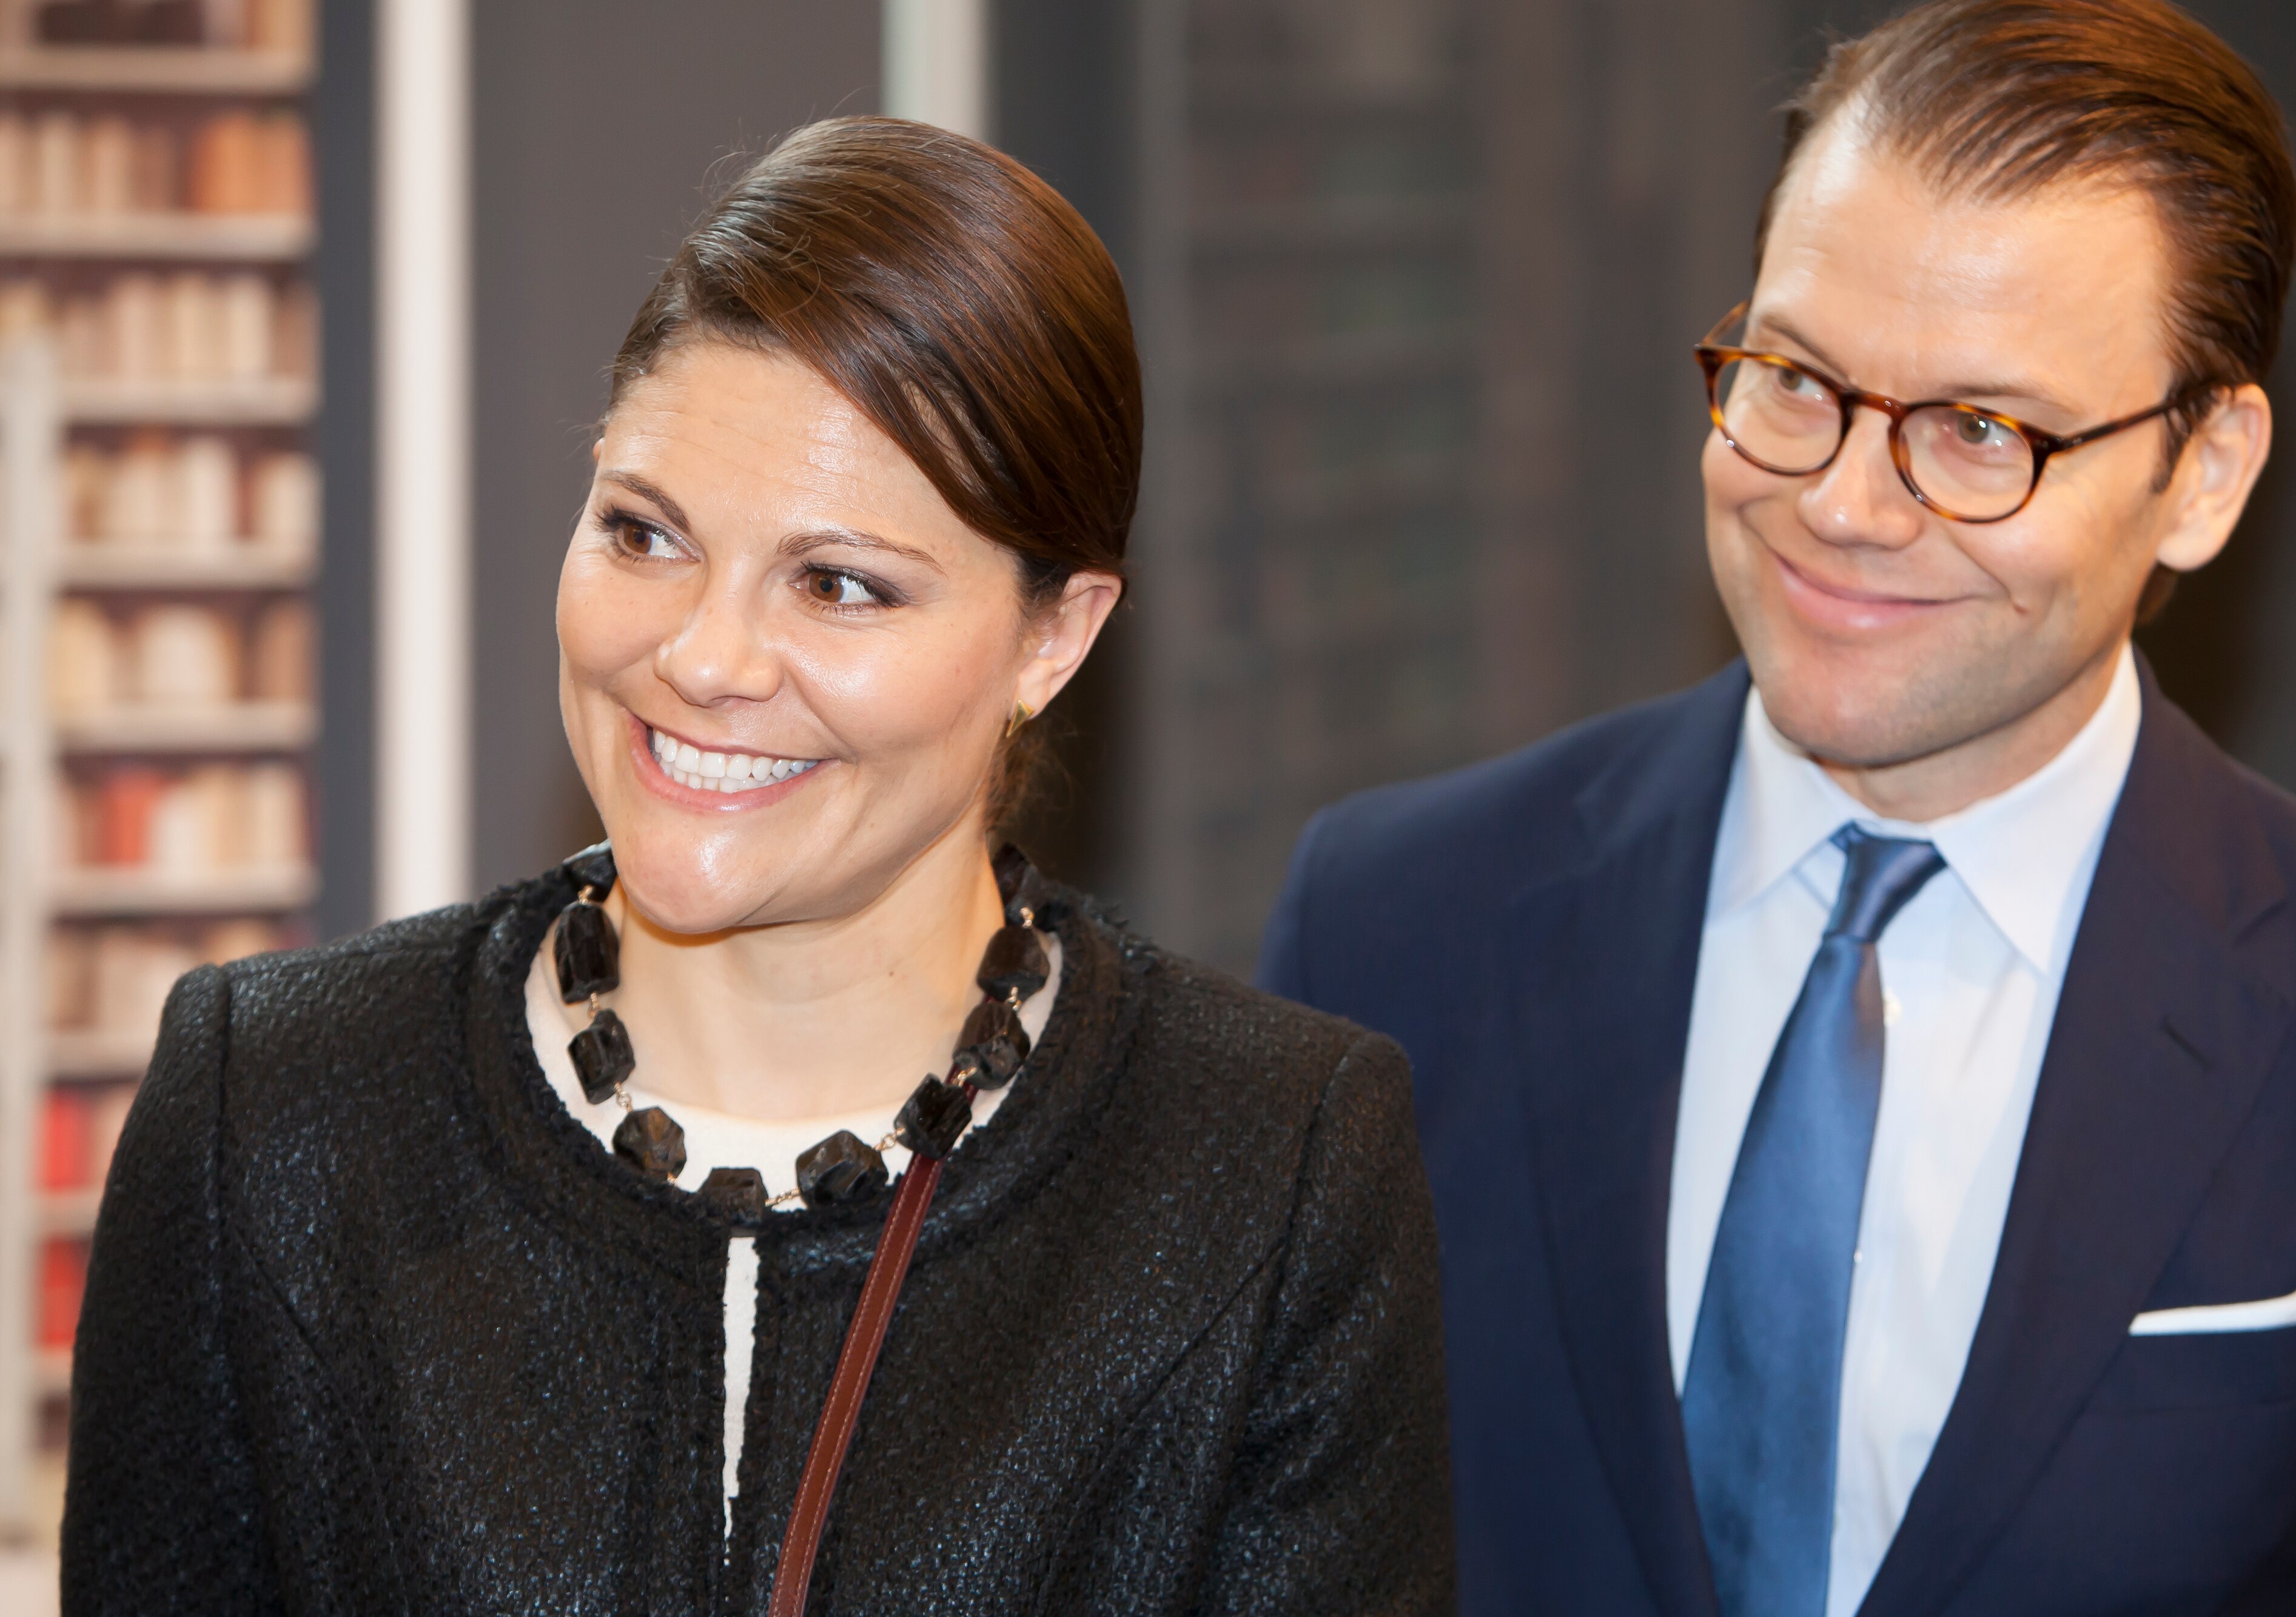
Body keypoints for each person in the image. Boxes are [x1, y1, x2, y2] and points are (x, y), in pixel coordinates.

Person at [64, 119, 1454, 1616]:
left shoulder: (1268, 1171)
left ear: (1051, 636)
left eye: (838, 583)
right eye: (644, 533)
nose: (704, 656)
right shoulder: (273, 1108)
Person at [1260, 2, 2296, 1612]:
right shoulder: (1391, 925)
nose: (1843, 503)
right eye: (1797, 378)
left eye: (1981, 430)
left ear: (2204, 473)